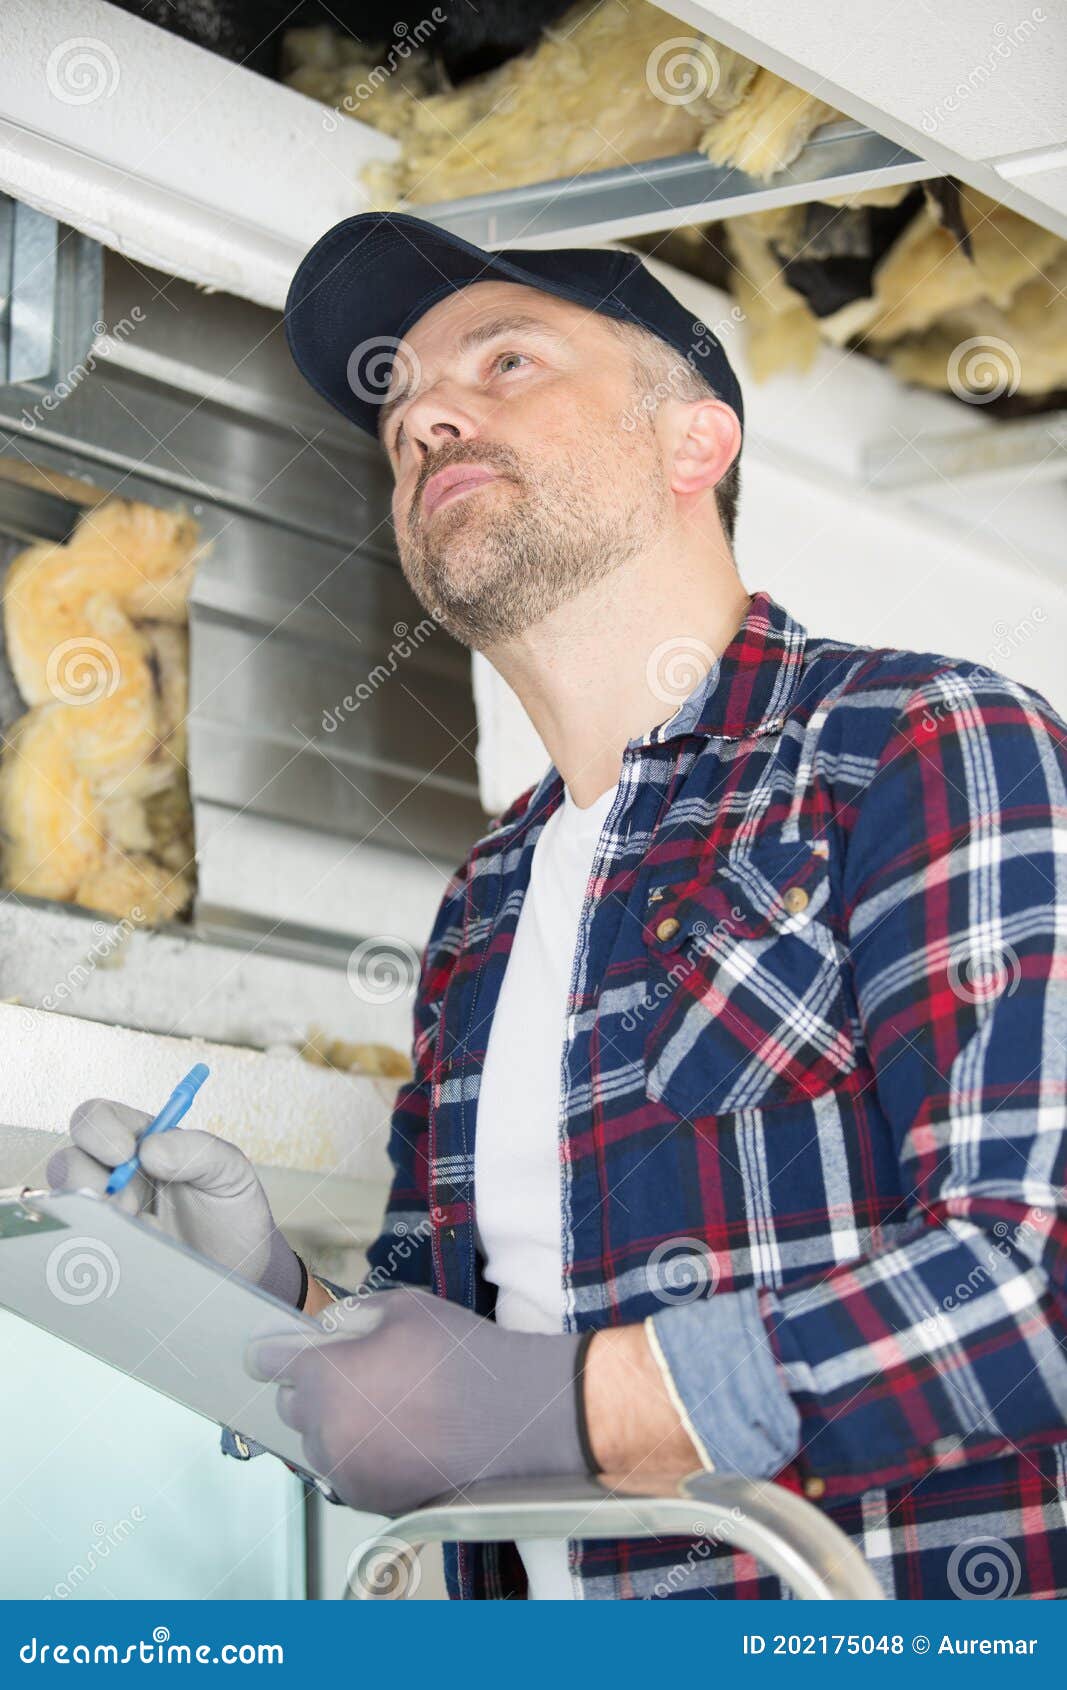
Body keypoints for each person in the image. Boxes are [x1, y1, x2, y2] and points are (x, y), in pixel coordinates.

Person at [52, 214, 1067, 1602]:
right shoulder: (484, 903)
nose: (422, 418)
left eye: (506, 359)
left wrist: (573, 1407)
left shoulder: (921, 741)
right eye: (397, 401)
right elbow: (445, 1383)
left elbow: (1032, 1286)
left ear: (693, 441)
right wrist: (270, 1309)